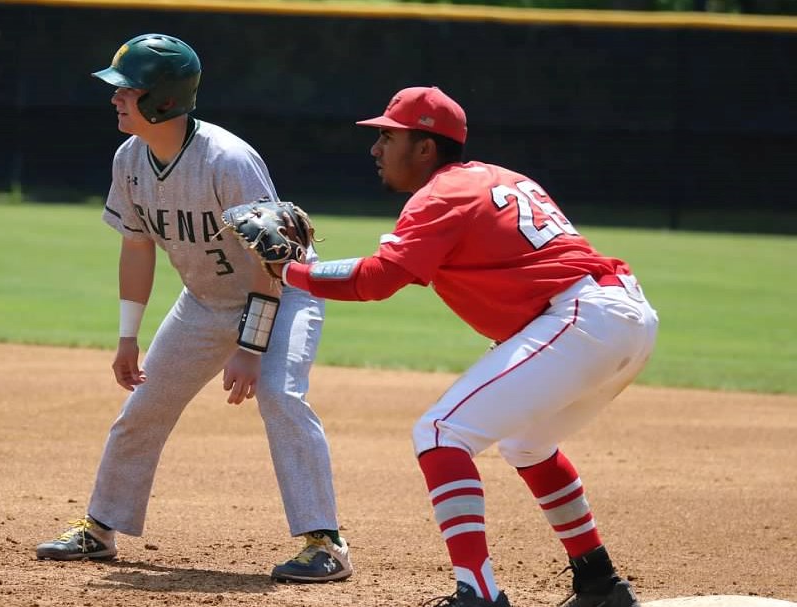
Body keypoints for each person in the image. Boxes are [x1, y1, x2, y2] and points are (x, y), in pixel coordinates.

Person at [269, 86, 659, 606]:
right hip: (620, 316)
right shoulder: (499, 177)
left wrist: (290, 271)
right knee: (528, 445)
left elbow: (379, 278)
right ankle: (599, 583)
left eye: (388, 136)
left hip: (582, 319)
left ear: (425, 147)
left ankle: (477, 594)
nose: (376, 149)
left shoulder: (441, 194)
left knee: (439, 431)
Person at [33, 33, 351, 583]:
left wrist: (252, 348)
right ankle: (100, 527)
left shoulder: (228, 160)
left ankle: (325, 543)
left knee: (280, 395)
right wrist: (127, 337)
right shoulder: (130, 159)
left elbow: (270, 261)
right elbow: (136, 246)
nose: (114, 99)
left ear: (162, 100)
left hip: (284, 294)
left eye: (126, 91)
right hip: (203, 302)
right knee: (144, 407)